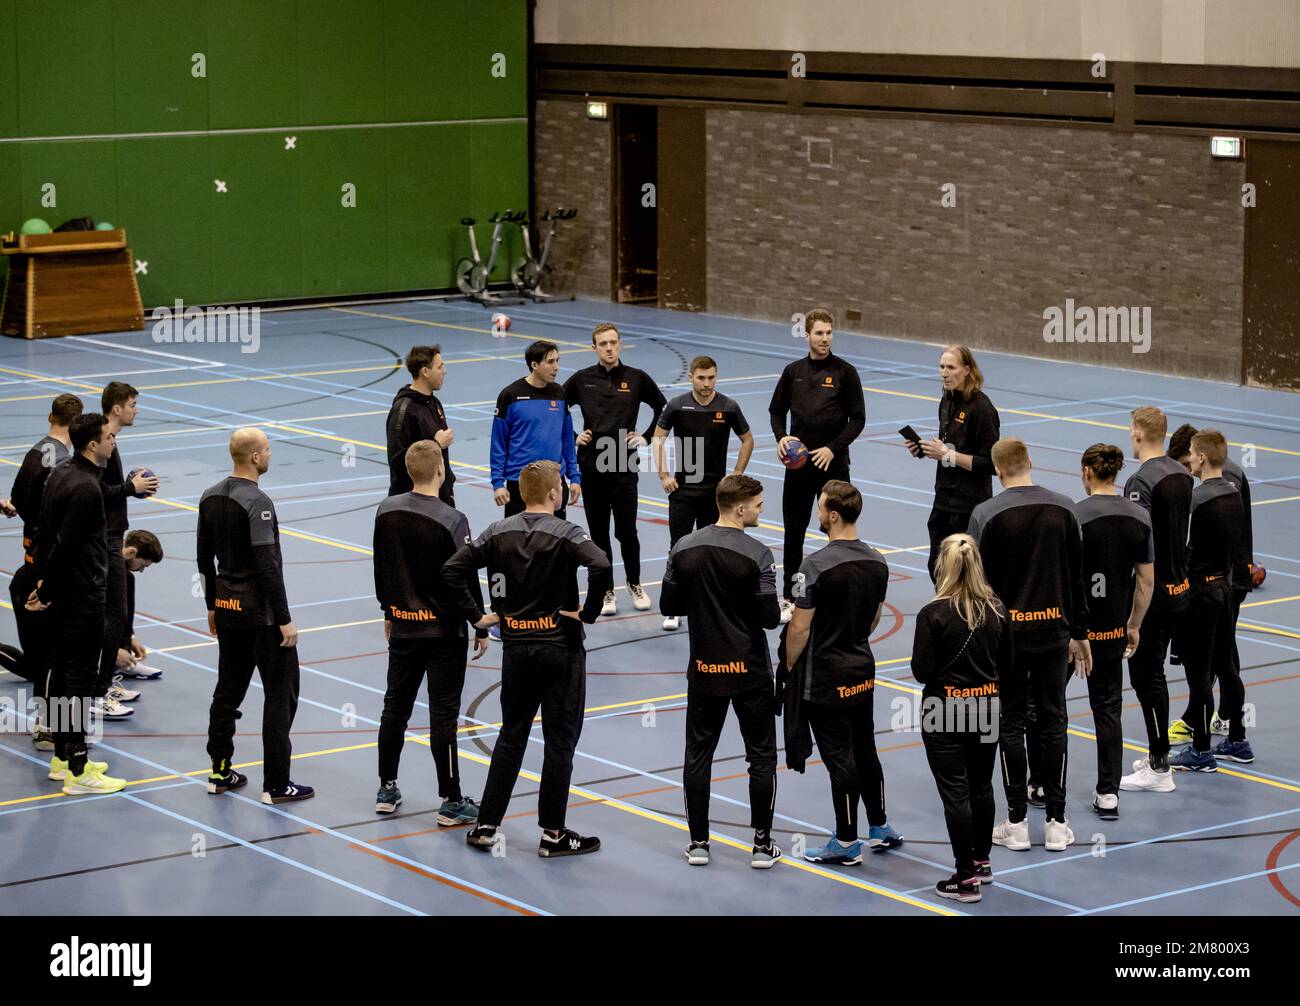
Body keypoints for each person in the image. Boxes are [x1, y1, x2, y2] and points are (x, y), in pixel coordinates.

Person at [444, 460, 611, 858]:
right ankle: (553, 833)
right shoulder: (567, 532)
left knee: (511, 734)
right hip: (560, 649)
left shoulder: (498, 531)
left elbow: (453, 569)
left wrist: (477, 616)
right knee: (560, 741)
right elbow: (601, 564)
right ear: (555, 494)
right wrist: (586, 614)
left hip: (517, 649)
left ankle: (486, 825)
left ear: (521, 493)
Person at [968, 438, 1090, 852]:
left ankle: (1017, 822)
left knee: (1011, 724)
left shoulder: (986, 514)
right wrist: (1080, 633)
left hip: (1007, 639)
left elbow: (976, 587)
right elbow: (1078, 577)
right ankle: (1057, 821)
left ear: (998, 471)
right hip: (1054, 634)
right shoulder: (1065, 508)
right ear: (1029, 463)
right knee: (1054, 721)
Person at [660, 474, 783, 868]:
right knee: (760, 757)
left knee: (698, 755)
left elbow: (668, 606)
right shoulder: (759, 554)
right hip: (750, 671)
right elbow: (767, 618)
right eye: (760, 505)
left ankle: (698, 843)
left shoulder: (683, 548)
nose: (763, 511)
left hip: (705, 669)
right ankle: (762, 846)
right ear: (741, 507)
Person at [782, 480, 902, 865]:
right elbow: (875, 617)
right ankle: (879, 825)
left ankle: (847, 840)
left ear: (833, 514)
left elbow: (799, 628)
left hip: (826, 676)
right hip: (862, 670)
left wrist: (787, 668)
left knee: (840, 758)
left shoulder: (814, 565)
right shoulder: (878, 560)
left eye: (820, 508)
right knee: (865, 748)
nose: (817, 514)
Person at [372, 440, 487, 822]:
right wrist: (479, 621)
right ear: (440, 470)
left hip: (403, 627)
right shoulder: (452, 519)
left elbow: (381, 566)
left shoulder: (386, 510)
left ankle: (386, 788)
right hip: (443, 633)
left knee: (395, 708)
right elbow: (464, 576)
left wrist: (388, 610)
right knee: (443, 715)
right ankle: (451, 799)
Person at [198, 428, 312, 804]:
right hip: (261, 616)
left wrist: (213, 606)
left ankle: (219, 771)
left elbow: (204, 559)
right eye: (267, 449)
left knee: (227, 691)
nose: (270, 454)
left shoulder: (209, 496)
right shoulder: (257, 502)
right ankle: (277, 783)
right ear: (254, 457)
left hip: (229, 611)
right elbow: (267, 567)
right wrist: (284, 619)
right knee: (280, 695)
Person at [913, 534, 1011, 903]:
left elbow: (922, 671)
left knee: (955, 791)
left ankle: (965, 875)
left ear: (943, 567)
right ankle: (981, 860)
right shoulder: (998, 610)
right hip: (987, 707)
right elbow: (1009, 666)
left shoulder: (933, 614)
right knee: (981, 786)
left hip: (944, 710)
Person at [28, 413, 122, 794]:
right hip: (82, 598)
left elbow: (42, 530)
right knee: (79, 683)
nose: (113, 441)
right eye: (107, 437)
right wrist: (47, 591)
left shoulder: (62, 473)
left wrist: (44, 584)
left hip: (66, 594)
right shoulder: (85, 488)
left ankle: (63, 758)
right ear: (92, 445)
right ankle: (80, 772)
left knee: (66, 677)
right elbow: (65, 546)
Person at [769, 309, 866, 621]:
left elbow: (858, 419)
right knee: (793, 533)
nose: (825, 339)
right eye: (819, 333)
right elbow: (776, 411)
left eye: (829, 333)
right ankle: (791, 596)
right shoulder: (793, 371)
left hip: (833, 469)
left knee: (837, 531)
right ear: (807, 335)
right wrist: (782, 437)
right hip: (798, 469)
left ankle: (838, 593)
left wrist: (833, 449)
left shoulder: (845, 372)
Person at [564, 322, 666, 615]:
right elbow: (558, 409)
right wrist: (573, 437)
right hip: (592, 466)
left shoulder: (637, 378)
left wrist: (645, 436)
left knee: (626, 531)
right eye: (603, 344)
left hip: (623, 466)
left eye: (613, 343)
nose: (609, 348)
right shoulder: (582, 380)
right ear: (594, 348)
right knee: (599, 533)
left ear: (620, 345)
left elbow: (662, 408)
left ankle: (634, 583)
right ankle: (606, 590)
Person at [1076, 444, 1155, 818]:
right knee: (1108, 709)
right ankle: (1108, 792)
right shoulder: (1139, 516)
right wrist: (1134, 626)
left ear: (1087, 472)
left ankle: (1041, 784)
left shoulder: (1073, 516)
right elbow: (1146, 581)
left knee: (1045, 708)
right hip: (1112, 630)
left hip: (1072, 628)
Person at [1118, 406, 1192, 794]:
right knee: (1154, 674)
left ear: (1139, 434)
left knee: (1146, 675)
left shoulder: (1141, 481)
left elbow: (1137, 538)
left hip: (1156, 591)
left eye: (1131, 430)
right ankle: (1158, 753)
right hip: (1180, 585)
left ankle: (1160, 764)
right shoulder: (1181, 473)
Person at [1, 393, 82, 748]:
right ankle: (50, 727)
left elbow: (17, 501)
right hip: (44, 574)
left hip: (28, 565)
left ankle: (59, 725)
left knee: (40, 657)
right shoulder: (65, 464)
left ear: (50, 415)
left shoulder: (37, 452)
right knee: (53, 656)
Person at [1166, 424, 1254, 744]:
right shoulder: (1234, 492)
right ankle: (1238, 739)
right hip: (1226, 589)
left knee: (1199, 673)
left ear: (1201, 457)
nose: (1188, 460)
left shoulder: (1196, 499)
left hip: (1200, 593)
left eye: (1190, 455)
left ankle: (1201, 749)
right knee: (1227, 665)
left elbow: (1187, 549)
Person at [652, 356, 755, 631]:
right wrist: (664, 474)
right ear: (692, 377)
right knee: (678, 549)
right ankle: (674, 608)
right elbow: (657, 438)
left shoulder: (728, 406)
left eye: (711, 378)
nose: (706, 384)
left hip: (716, 495)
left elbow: (748, 440)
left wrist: (736, 474)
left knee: (715, 550)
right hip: (683, 492)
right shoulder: (676, 405)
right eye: (701, 378)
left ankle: (714, 603)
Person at [904, 346, 1000, 582]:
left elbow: (991, 464)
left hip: (969, 505)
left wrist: (946, 454)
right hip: (943, 499)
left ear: (967, 370)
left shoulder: (982, 410)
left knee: (963, 575)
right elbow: (949, 449)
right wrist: (925, 450)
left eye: (951, 367)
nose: (945, 373)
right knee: (936, 568)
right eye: (942, 367)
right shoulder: (946, 400)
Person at [96, 382, 160, 720]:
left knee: (118, 612)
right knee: (111, 614)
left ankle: (107, 681)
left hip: (111, 534)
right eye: (133, 404)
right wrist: (128, 488)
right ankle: (100, 689)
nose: (136, 409)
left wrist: (130, 489)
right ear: (117, 408)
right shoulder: (103, 440)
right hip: (105, 539)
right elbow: (96, 490)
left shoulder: (112, 441)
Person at [490, 340, 581, 520]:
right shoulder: (510, 395)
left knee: (553, 541)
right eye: (550, 362)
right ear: (534, 365)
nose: (556, 367)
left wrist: (575, 477)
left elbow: (567, 440)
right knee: (519, 542)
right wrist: (498, 483)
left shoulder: (560, 394)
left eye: (557, 361)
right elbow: (498, 443)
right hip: (520, 482)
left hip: (554, 481)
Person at [385, 345, 456, 505]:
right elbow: (398, 461)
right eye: (440, 366)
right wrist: (437, 444)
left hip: (440, 497)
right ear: (425, 372)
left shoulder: (434, 402)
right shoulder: (403, 410)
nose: (444, 371)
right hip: (413, 503)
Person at [112, 530, 166, 681]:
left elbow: (123, 614)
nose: (141, 570)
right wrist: (111, 651)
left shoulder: (126, 576)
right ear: (131, 552)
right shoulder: (105, 571)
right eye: (142, 565)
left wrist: (131, 638)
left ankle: (121, 663)